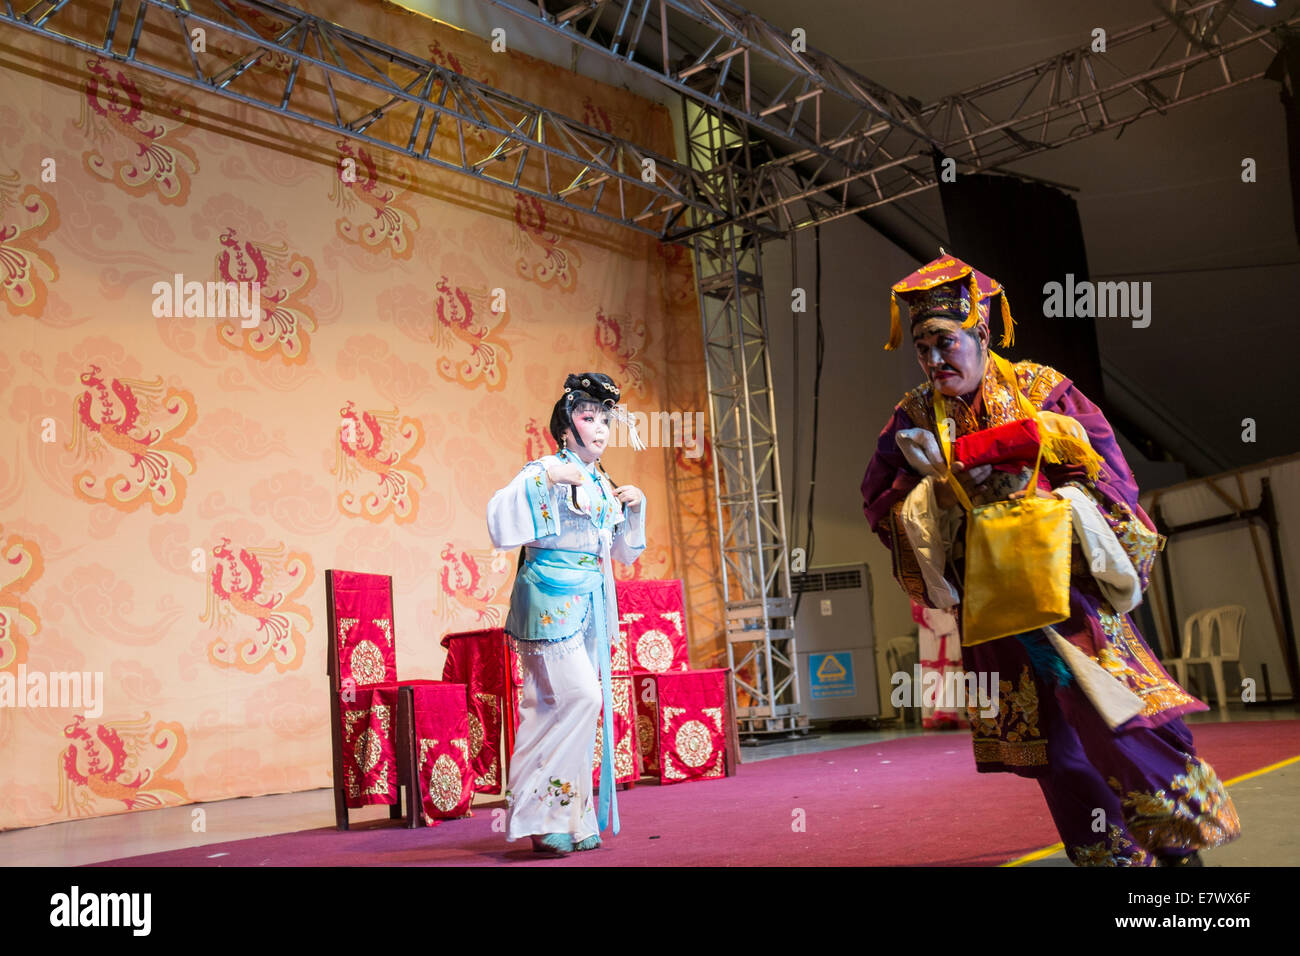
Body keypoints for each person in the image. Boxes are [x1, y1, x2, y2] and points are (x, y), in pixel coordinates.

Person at [861, 253, 1240, 866]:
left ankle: (1176, 845)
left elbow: (1110, 472)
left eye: (946, 344)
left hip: (1067, 592)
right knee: (1051, 748)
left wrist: (1033, 486)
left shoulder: (1040, 389)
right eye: (923, 349)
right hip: (991, 604)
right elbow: (881, 501)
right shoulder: (909, 418)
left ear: (982, 334)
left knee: (1114, 715)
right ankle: (1111, 860)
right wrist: (933, 495)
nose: (934, 361)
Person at [486, 372, 646, 855]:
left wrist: (635, 507)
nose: (599, 429)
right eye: (588, 418)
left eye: (605, 420)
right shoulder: (543, 469)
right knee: (580, 699)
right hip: (550, 599)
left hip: (591, 600)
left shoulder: (602, 480)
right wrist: (544, 477)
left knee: (556, 706)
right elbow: (499, 519)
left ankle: (571, 818)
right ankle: (539, 813)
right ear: (565, 427)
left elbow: (622, 554)